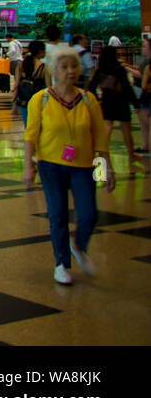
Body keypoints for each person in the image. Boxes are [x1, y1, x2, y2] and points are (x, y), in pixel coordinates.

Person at [23, 46, 114, 285]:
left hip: (83, 165)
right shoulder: (40, 100)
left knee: (88, 214)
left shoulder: (88, 99)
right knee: (58, 214)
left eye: (74, 66)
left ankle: (79, 245)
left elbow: (99, 136)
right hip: (50, 165)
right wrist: (28, 166)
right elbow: (31, 135)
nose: (70, 71)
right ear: (54, 70)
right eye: (64, 67)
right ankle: (61, 263)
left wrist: (106, 167)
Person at [92, 46, 146, 172]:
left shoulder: (100, 70)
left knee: (107, 128)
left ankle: (101, 155)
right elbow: (127, 87)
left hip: (106, 101)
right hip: (121, 102)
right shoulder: (119, 69)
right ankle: (131, 155)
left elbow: (91, 86)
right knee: (126, 130)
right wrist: (135, 103)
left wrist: (95, 100)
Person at [13, 41, 48, 121]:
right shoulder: (44, 67)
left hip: (24, 101)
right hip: (39, 102)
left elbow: (16, 85)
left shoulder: (21, 65)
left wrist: (14, 104)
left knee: (28, 127)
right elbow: (48, 88)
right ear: (40, 51)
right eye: (44, 50)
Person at [42, 24, 70, 88]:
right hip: (61, 85)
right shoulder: (65, 49)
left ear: (46, 35)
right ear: (59, 35)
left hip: (45, 86)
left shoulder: (42, 49)